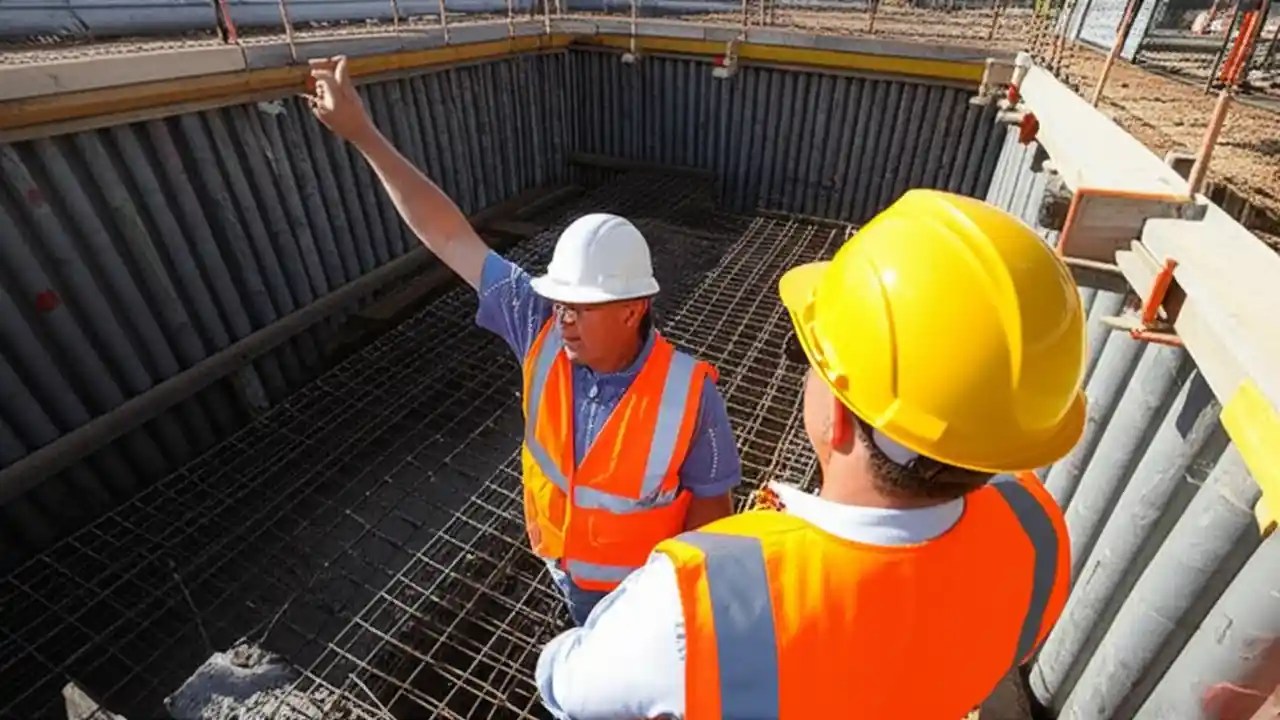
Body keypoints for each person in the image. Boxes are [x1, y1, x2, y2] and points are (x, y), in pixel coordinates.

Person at [535, 189, 1084, 718]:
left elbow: (571, 685)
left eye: (810, 356)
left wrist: (569, 652)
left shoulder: (696, 602)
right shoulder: (1039, 532)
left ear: (840, 414)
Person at [305, 56, 743, 626]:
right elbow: (449, 235)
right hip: (560, 566)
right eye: (560, 301)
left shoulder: (689, 396)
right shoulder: (538, 324)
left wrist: (678, 614)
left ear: (634, 308)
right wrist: (363, 135)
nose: (564, 318)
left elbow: (712, 510)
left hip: (639, 604)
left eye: (582, 307)